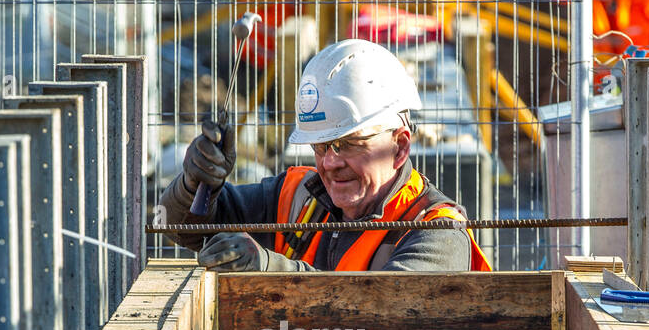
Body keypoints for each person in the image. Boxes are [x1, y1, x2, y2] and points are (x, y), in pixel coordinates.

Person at [159, 40, 493, 272]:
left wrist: (271, 269)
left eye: (349, 143)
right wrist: (195, 183)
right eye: (320, 146)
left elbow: (378, 323)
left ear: (400, 146)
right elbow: (178, 228)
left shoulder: (437, 233)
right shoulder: (296, 197)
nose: (330, 163)